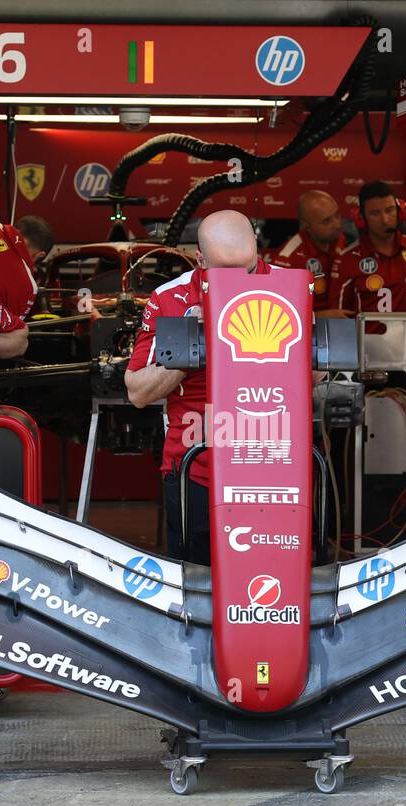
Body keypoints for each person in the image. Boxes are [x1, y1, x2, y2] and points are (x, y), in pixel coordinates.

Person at [123, 211, 273, 564]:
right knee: (195, 585)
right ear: (201, 260)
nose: (240, 282)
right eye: (226, 272)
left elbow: (314, 378)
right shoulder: (170, 299)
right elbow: (137, 392)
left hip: (273, 464)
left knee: (274, 577)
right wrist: (194, 341)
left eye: (248, 269)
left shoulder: (288, 285)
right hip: (195, 465)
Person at [329, 181, 406, 323]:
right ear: (361, 218)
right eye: (375, 213)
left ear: (400, 211)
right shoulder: (346, 259)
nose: (385, 220)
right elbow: (337, 319)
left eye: (389, 210)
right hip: (367, 344)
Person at [271, 190, 346, 314]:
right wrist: (321, 317)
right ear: (307, 226)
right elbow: (278, 313)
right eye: (327, 221)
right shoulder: (287, 260)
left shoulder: (339, 239)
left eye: (337, 215)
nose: (337, 224)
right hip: (308, 329)